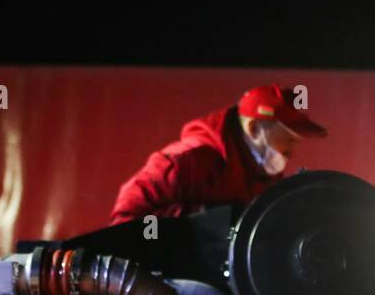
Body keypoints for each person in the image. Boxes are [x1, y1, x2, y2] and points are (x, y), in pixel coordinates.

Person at [109, 84, 327, 225]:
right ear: (253, 129)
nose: (292, 148)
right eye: (288, 137)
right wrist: (202, 217)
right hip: (169, 284)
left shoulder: (265, 176)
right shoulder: (183, 162)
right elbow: (124, 221)